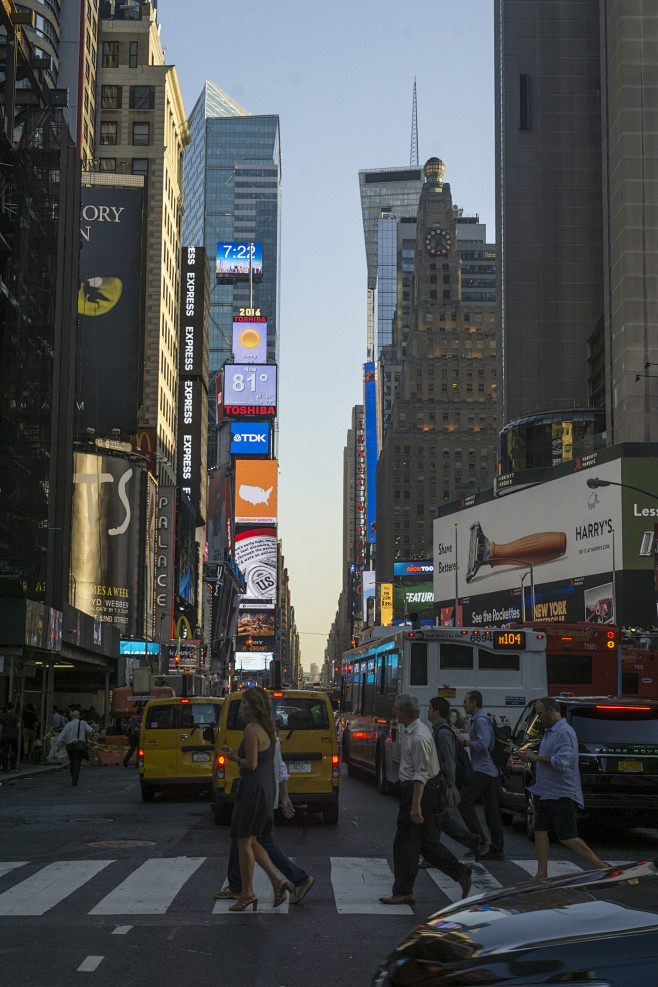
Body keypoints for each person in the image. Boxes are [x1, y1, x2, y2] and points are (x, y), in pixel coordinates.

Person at [379, 694, 472, 906]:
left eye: (395, 708)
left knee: (405, 843)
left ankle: (404, 891)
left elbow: (420, 774)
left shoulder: (419, 736)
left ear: (404, 712)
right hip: (419, 790)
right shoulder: (413, 731)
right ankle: (459, 872)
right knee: (425, 843)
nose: (393, 712)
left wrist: (415, 805)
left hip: (419, 791)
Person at [215, 734, 315, 905]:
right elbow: (280, 766)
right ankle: (237, 884)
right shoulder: (270, 734)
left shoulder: (258, 733)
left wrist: (237, 757)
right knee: (242, 838)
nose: (240, 709)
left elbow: (257, 765)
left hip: (258, 797)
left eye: (244, 705)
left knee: (259, 841)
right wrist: (283, 797)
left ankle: (298, 878)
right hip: (264, 795)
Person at [518, 697, 607, 880]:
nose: (538, 717)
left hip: (562, 793)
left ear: (552, 711)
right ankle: (541, 873)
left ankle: (600, 865)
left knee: (567, 836)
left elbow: (562, 762)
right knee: (539, 831)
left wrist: (535, 758)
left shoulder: (565, 732)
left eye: (540, 713)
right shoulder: (550, 731)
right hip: (545, 792)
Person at [220, 687, 290, 912]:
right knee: (252, 840)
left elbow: (250, 763)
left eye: (242, 704)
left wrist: (233, 757)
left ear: (251, 707)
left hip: (251, 790)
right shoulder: (267, 729)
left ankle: (247, 893)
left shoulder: (251, 730)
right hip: (264, 789)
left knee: (243, 841)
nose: (239, 708)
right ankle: (277, 883)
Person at [426, 697, 480, 858]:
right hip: (438, 781)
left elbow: (449, 761)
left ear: (436, 712)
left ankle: (433, 853)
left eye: (429, 708)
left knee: (436, 819)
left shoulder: (442, 733)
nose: (427, 711)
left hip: (441, 782)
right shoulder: (439, 730)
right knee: (440, 820)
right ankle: (471, 841)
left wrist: (450, 784)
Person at [458, 691, 505, 861]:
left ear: (474, 703)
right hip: (488, 770)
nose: (462, 705)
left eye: (465, 701)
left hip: (483, 770)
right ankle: (496, 848)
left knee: (464, 802)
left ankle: (479, 841)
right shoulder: (478, 719)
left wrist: (463, 741)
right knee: (491, 811)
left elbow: (483, 745)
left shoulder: (481, 720)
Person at [58, 710, 94, 786]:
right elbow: (90, 731)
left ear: (71, 717)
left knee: (72, 761)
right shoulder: (83, 723)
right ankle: (75, 779)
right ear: (79, 716)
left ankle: (73, 776)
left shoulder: (68, 725)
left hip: (70, 746)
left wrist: (58, 746)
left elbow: (62, 736)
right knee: (77, 762)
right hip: (79, 745)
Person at [1, 703, 21, 772]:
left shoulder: (3, 716)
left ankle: (5, 767)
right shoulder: (15, 716)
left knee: (5, 752)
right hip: (13, 736)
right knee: (15, 751)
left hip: (5, 735)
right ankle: (13, 766)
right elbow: (19, 726)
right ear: (12, 708)